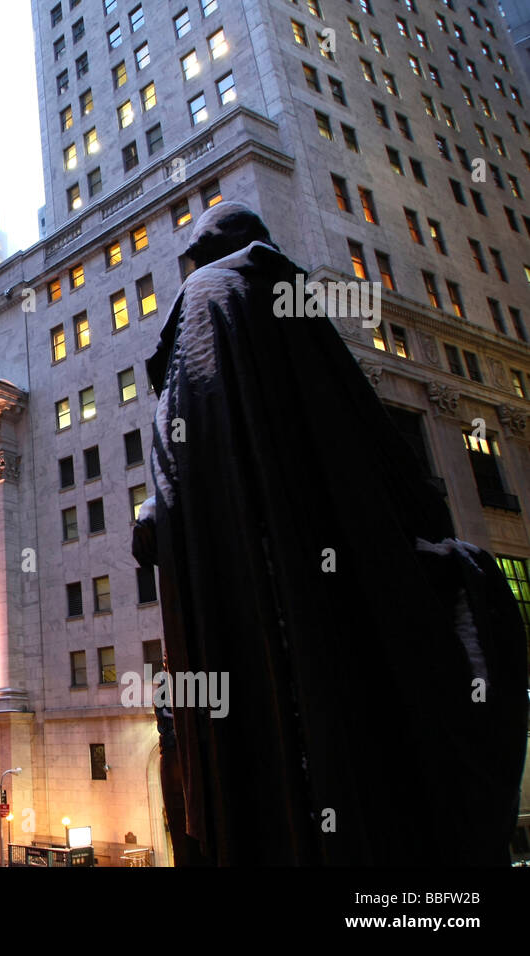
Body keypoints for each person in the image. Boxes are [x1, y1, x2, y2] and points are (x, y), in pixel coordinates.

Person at [134, 201, 528, 865]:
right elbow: (382, 455)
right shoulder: (282, 295)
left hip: (248, 631)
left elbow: (179, 476)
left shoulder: (203, 308)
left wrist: (159, 521)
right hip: (342, 625)